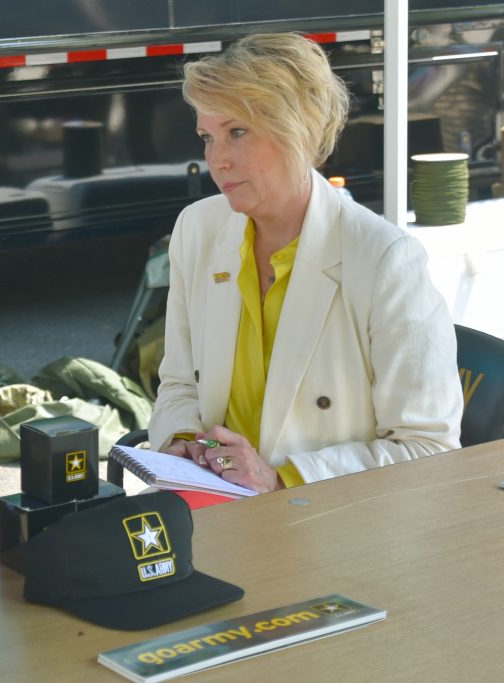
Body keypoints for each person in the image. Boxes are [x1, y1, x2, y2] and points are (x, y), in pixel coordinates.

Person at [148, 33, 463, 493]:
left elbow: (427, 448)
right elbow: (179, 383)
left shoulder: (385, 260)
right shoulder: (197, 229)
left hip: (330, 529)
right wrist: (182, 442)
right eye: (206, 137)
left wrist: (281, 480)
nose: (217, 160)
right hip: (211, 508)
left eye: (237, 132)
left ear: (299, 129)